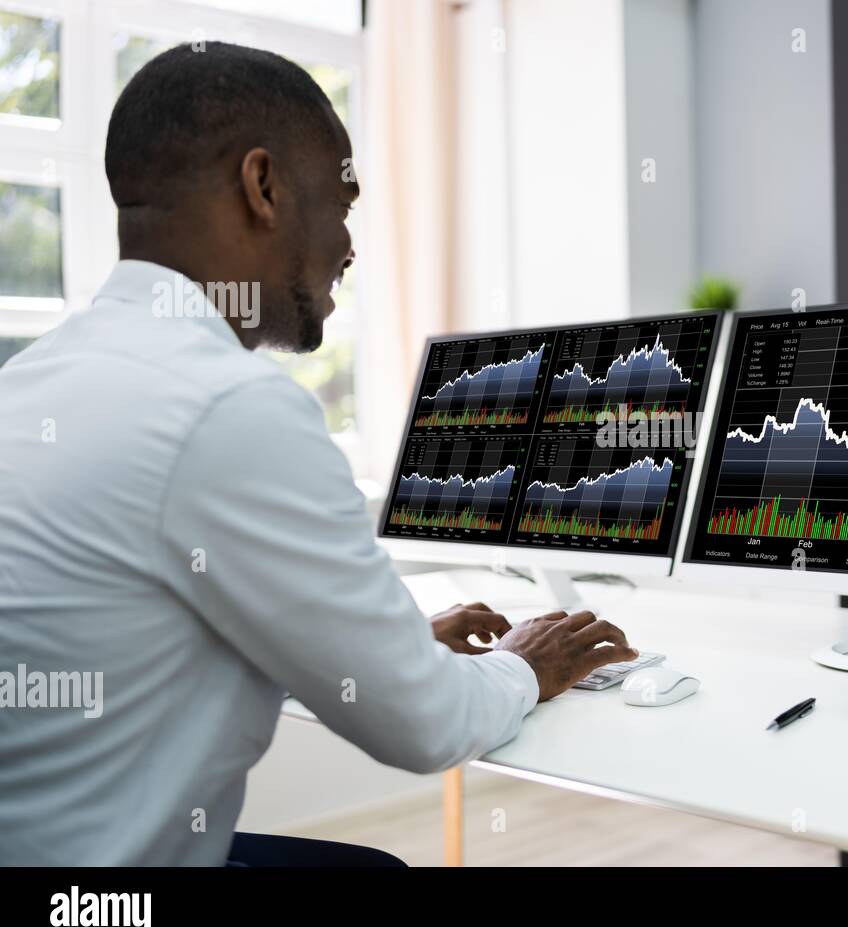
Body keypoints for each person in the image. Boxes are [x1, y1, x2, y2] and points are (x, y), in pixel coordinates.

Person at [0, 42, 636, 867]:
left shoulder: (33, 378)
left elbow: (134, 626)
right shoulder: (229, 407)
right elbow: (427, 728)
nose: (349, 243)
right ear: (263, 188)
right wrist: (522, 666)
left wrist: (383, 647)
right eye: (342, 202)